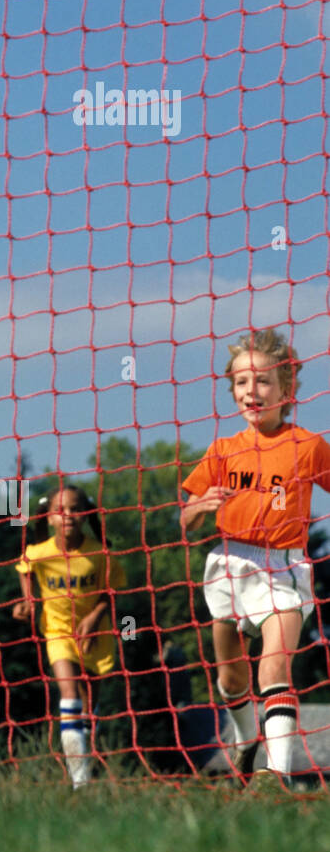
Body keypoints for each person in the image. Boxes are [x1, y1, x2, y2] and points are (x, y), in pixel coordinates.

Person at [180, 328, 330, 788]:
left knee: (274, 664)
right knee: (230, 679)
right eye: (242, 383)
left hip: (283, 567)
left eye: (263, 381)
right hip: (228, 564)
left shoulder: (307, 447)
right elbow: (185, 515)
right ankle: (246, 741)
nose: (252, 391)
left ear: (287, 389)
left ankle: (274, 776)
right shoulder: (223, 451)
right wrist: (198, 508)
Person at [13, 485, 125, 788]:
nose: (68, 516)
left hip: (95, 635)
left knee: (90, 709)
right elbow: (26, 568)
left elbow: (112, 591)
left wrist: (95, 616)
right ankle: (79, 783)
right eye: (60, 510)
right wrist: (28, 601)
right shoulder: (39, 552)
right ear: (48, 518)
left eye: (75, 509)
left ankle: (88, 766)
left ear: (86, 514)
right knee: (70, 695)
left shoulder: (99, 553)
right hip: (57, 632)